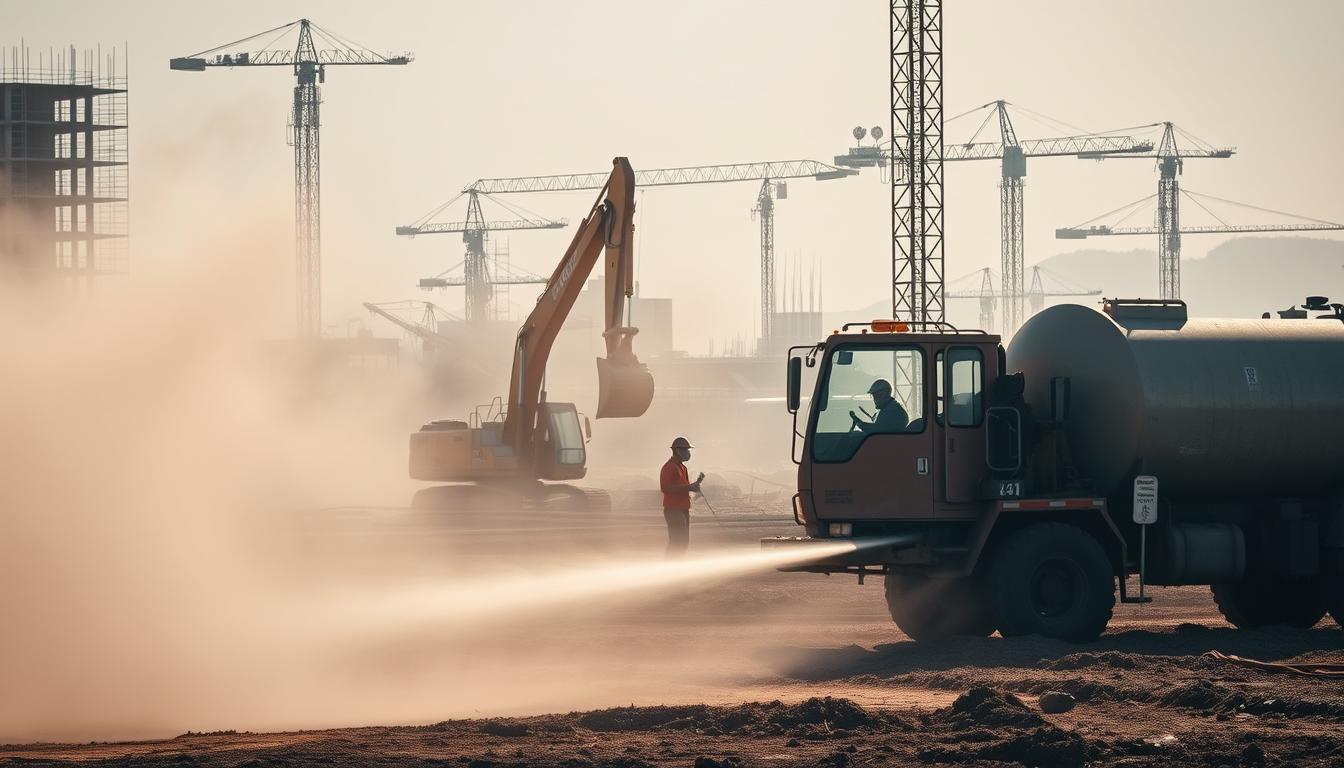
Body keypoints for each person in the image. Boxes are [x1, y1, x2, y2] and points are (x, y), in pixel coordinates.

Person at [659, 436, 703, 558]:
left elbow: (683, 487)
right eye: (686, 450)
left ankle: (677, 563)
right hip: (673, 509)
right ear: (678, 450)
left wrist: (693, 486)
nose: (688, 453)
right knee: (677, 541)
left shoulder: (683, 467)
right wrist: (689, 487)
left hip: (683, 509)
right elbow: (665, 488)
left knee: (683, 542)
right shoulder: (669, 467)